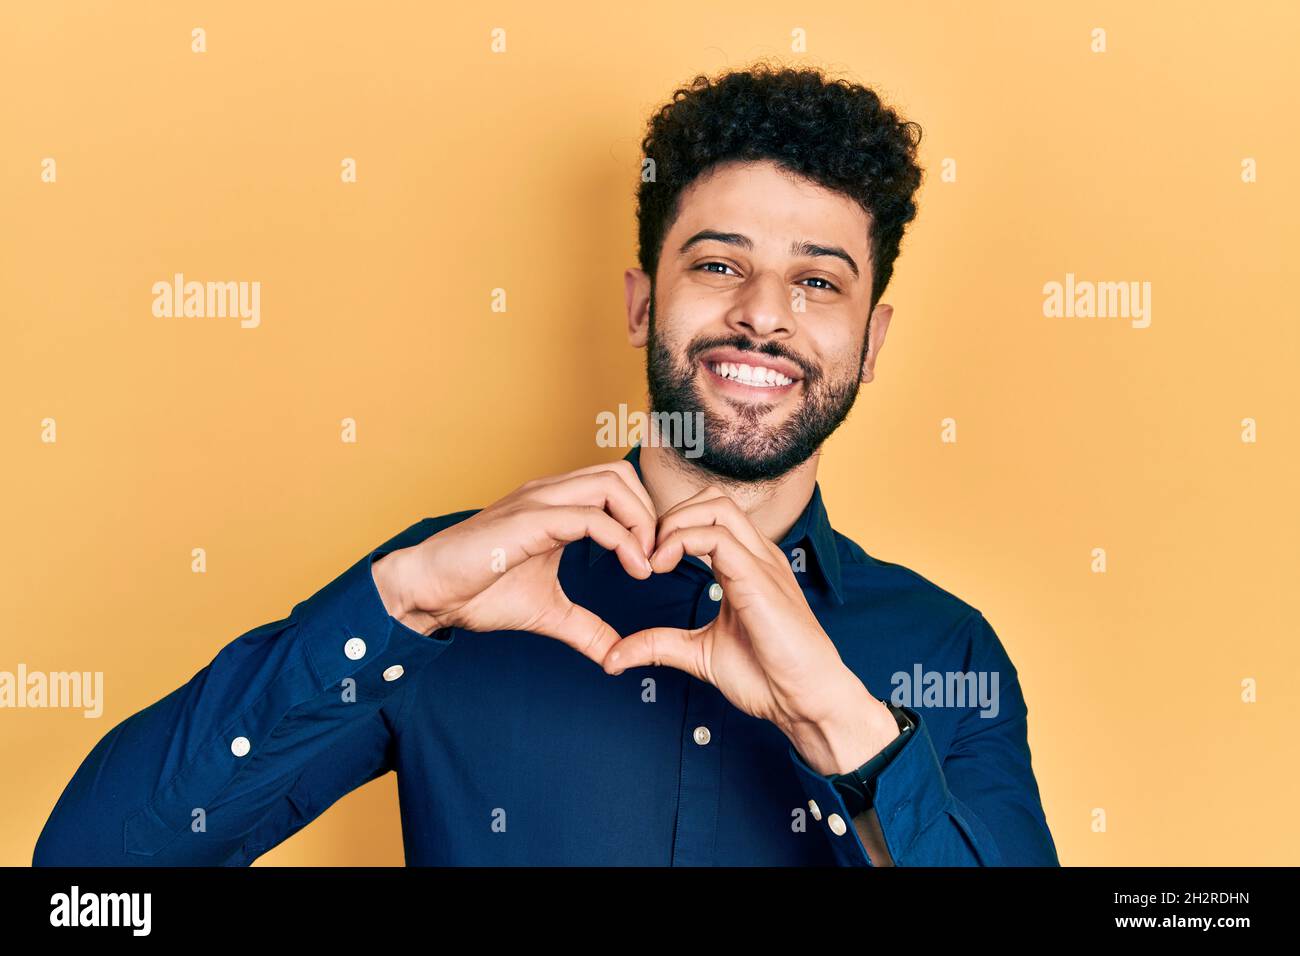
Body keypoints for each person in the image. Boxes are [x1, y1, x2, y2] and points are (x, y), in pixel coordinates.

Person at [33, 62, 1058, 867]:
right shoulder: (453, 595)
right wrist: (398, 597)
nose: (762, 311)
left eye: (818, 282)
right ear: (641, 303)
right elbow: (91, 871)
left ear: (871, 344)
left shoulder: (947, 652)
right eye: (716, 264)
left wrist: (843, 724)